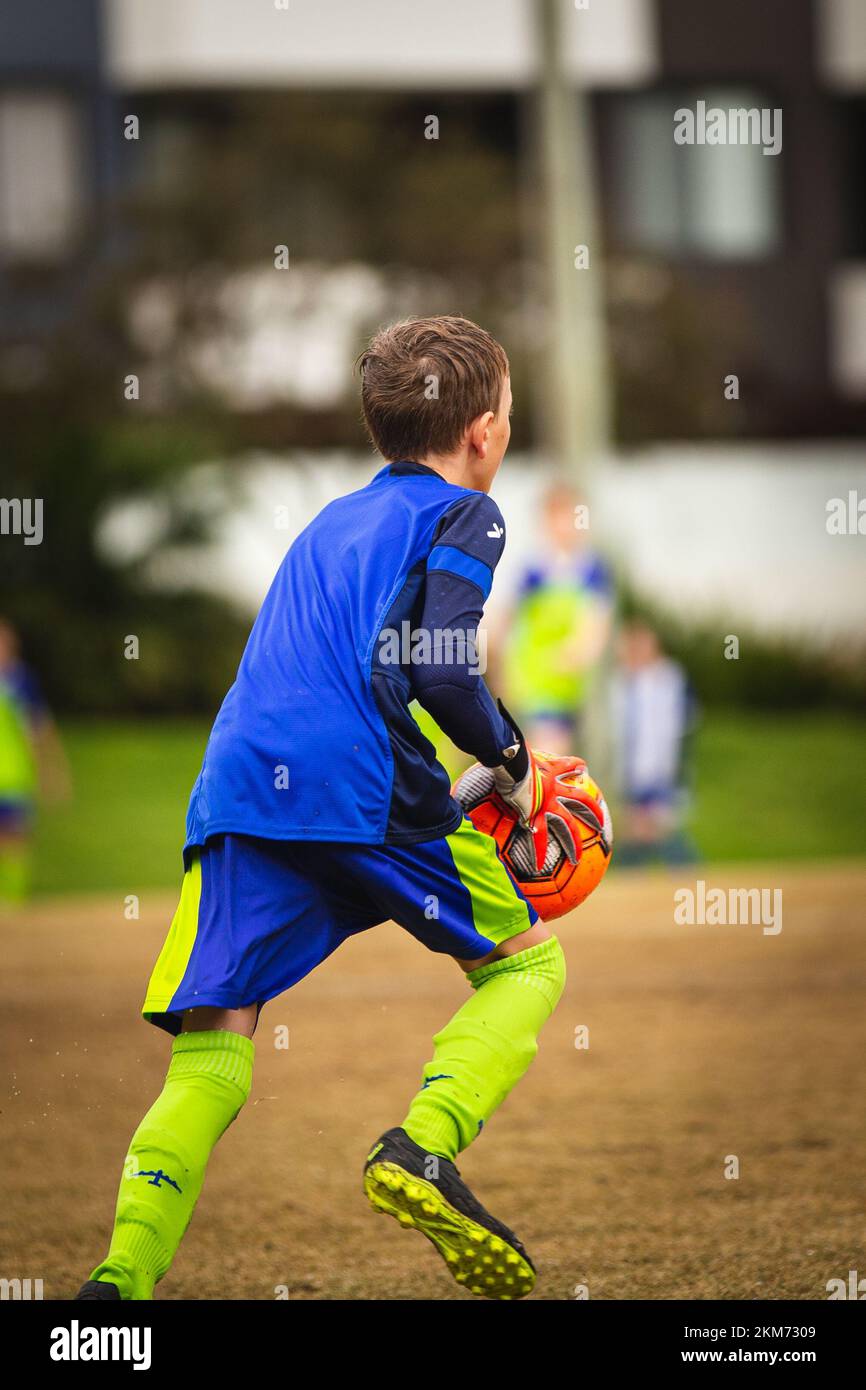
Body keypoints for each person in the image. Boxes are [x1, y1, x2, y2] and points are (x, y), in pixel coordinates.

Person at [76, 316, 565, 1303]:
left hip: (240, 785)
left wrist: (456, 784)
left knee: (213, 1046)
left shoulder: (328, 519)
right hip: (357, 776)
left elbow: (339, 663)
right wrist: (512, 762)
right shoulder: (471, 515)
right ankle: (420, 1147)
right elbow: (439, 665)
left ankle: (114, 1288)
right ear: (483, 434)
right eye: (509, 409)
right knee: (526, 963)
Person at [501, 481, 613, 755]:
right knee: (546, 749)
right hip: (534, 674)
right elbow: (509, 618)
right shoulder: (533, 568)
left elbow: (597, 619)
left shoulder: (590, 569)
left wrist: (582, 649)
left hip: (565, 678)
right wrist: (504, 666)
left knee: (553, 749)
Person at [611, 619, 699, 866]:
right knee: (637, 829)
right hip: (629, 770)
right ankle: (632, 879)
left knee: (657, 828)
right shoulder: (619, 682)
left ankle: (687, 871)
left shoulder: (668, 679)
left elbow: (680, 728)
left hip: (660, 768)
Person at [0, 619, 69, 904]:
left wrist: (52, 770)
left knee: (14, 841)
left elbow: (40, 728)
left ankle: (13, 905)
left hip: (14, 775)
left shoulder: (21, 682)